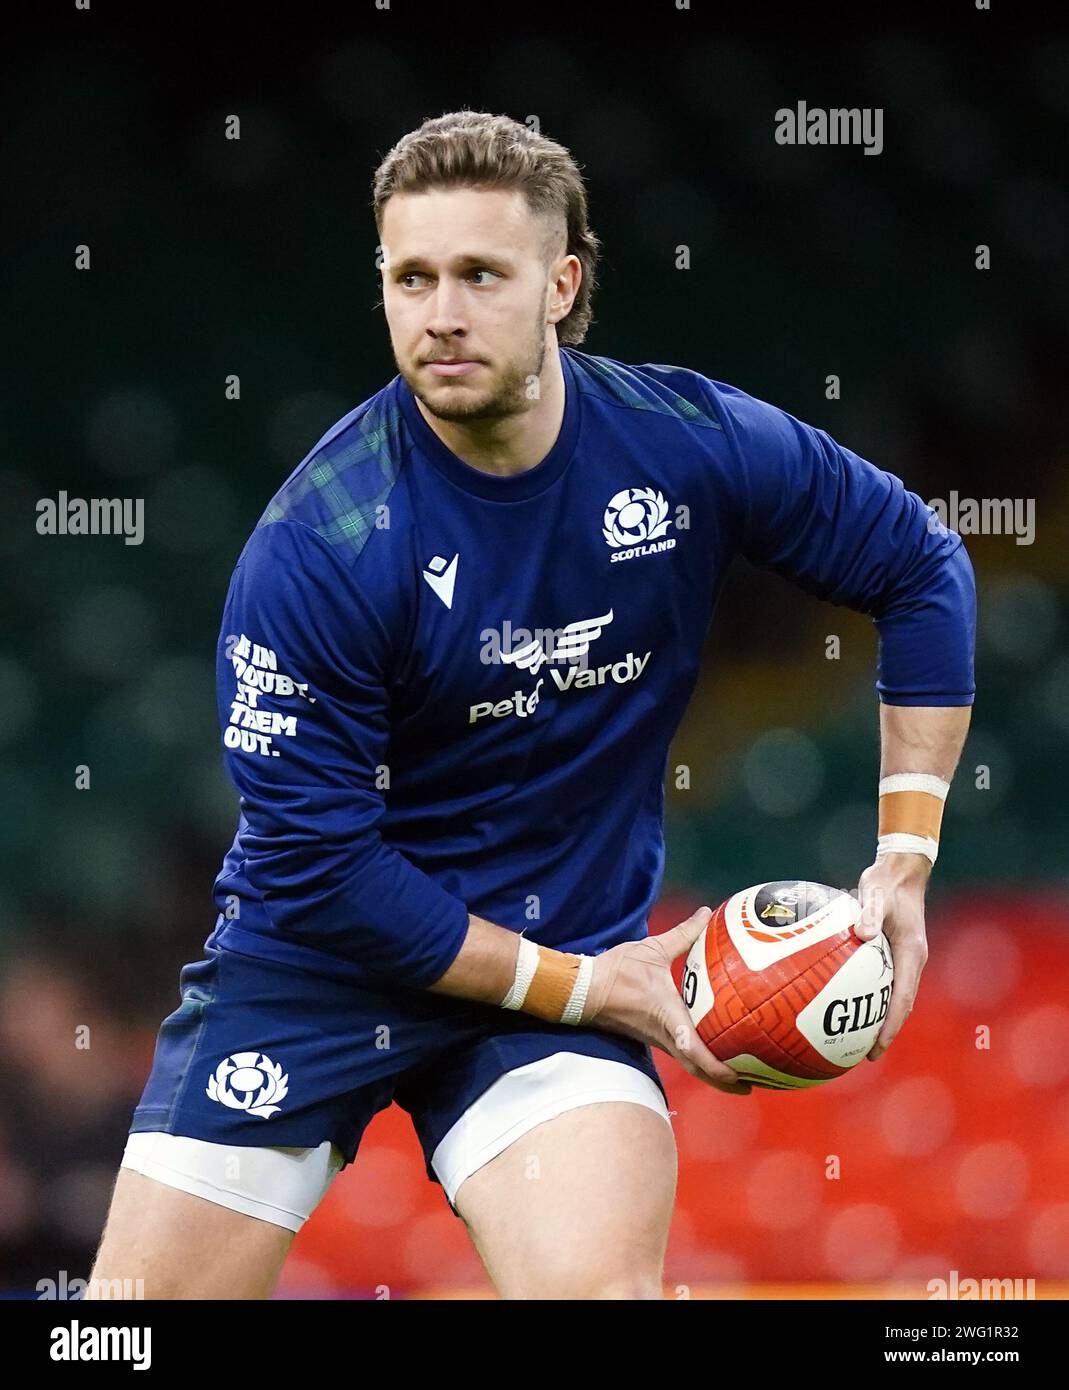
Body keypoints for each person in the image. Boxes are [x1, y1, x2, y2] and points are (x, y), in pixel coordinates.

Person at [88, 109, 975, 1300]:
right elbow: (320, 872)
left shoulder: (682, 445)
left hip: (561, 956)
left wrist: (903, 862)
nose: (440, 312)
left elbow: (920, 566)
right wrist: (598, 987)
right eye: (410, 277)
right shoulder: (324, 543)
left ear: (560, 284)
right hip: (319, 967)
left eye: (479, 275)